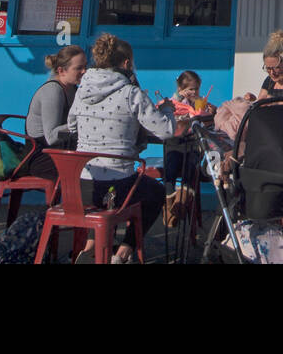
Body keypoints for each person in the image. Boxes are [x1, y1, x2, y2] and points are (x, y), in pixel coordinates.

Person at [69, 33, 177, 263]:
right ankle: (122, 253)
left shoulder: (82, 89)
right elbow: (166, 130)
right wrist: (167, 109)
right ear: (127, 64)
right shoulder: (131, 93)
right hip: (116, 188)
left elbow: (71, 125)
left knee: (102, 193)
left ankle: (90, 249)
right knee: (155, 192)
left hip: (80, 185)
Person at [23, 45, 86, 180]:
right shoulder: (53, 91)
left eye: (85, 66)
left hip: (60, 152)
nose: (84, 71)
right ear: (61, 70)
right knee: (87, 166)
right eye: (78, 68)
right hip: (41, 157)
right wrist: (83, 122)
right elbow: (51, 137)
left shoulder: (73, 89)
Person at [162, 70, 215, 187]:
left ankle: (187, 196)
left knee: (190, 168)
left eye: (196, 89)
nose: (194, 92)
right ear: (181, 89)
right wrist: (180, 96)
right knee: (170, 168)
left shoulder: (200, 101)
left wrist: (210, 112)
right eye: (191, 89)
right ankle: (169, 196)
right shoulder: (175, 101)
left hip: (193, 144)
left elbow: (207, 123)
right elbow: (169, 112)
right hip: (175, 142)